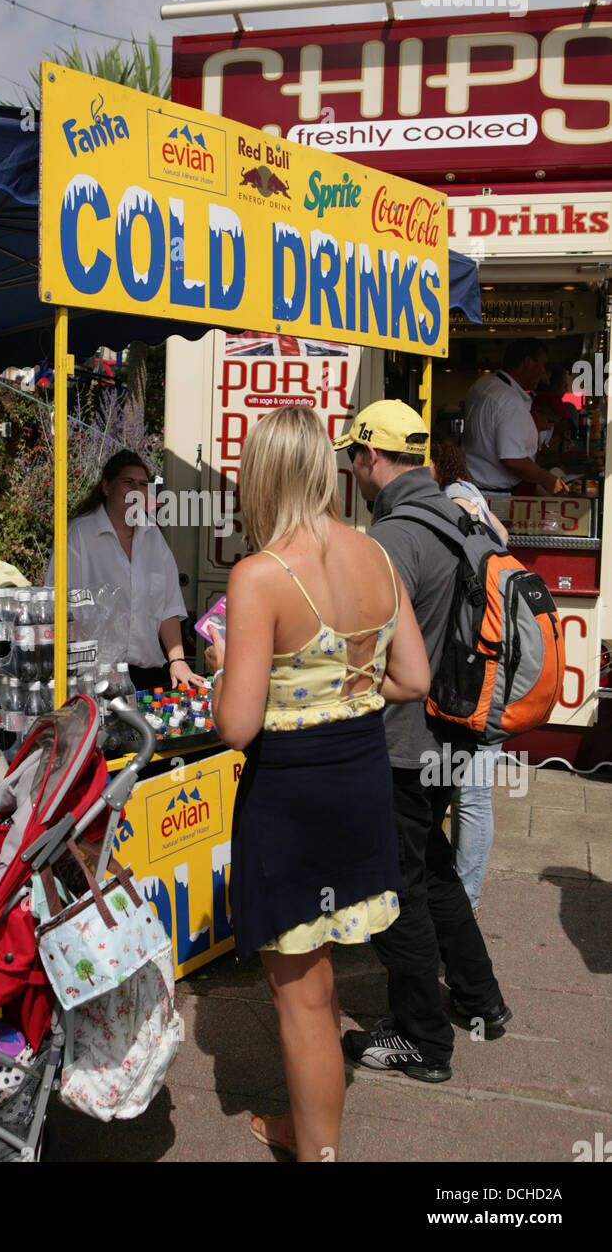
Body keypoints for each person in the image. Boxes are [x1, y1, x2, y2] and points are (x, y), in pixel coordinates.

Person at [204, 406, 429, 1162]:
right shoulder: (375, 554)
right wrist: (345, 692)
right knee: (323, 981)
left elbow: (235, 727)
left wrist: (219, 681)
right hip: (361, 779)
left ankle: (320, 1157)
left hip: (293, 794)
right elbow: (414, 677)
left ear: (262, 476)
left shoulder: (259, 574)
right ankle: (311, 1126)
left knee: (299, 998)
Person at [337, 400, 511, 1085]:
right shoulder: (458, 515)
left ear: (371, 457)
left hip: (402, 741)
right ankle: (480, 998)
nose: (353, 470)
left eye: (355, 457)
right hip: (451, 734)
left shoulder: (392, 540)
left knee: (396, 887)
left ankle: (423, 1040)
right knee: (433, 870)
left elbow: (375, 653)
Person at [46, 449, 205, 692]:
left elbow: (169, 607)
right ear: (106, 487)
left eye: (142, 485)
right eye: (127, 482)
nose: (136, 490)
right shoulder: (77, 535)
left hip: (147, 673)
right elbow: (60, 607)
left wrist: (178, 660)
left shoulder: (154, 538)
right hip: (91, 675)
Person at [429, 434, 504, 913]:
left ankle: (463, 903)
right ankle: (460, 900)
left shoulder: (455, 501)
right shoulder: (473, 496)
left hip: (472, 667)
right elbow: (506, 542)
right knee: (471, 792)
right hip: (492, 662)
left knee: (471, 795)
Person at [463, 337, 568, 497]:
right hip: (495, 496)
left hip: (472, 489)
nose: (543, 373)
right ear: (527, 362)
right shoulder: (509, 399)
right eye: (542, 365)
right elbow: (513, 460)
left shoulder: (483, 383)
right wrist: (549, 480)